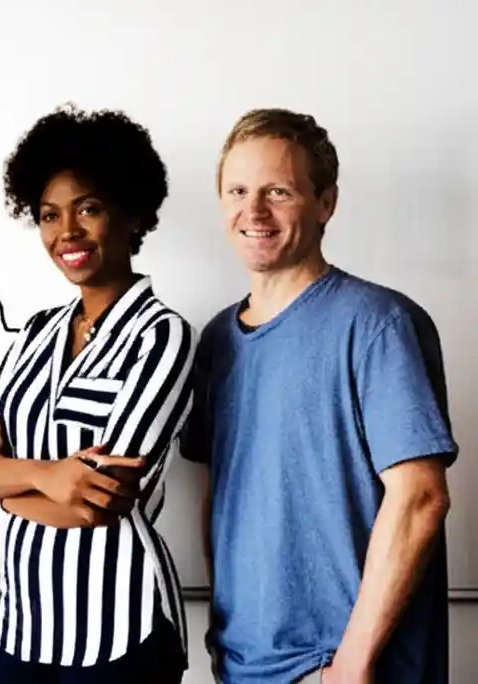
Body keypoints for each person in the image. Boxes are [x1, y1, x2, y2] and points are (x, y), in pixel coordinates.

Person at [181, 108, 457, 684]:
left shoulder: (378, 324)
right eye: (237, 190)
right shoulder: (216, 342)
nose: (253, 211)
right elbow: (221, 500)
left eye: (278, 191)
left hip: (343, 669)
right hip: (242, 664)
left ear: (326, 202)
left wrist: (352, 663)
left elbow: (421, 499)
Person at [0, 103, 196, 683]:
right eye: (48, 215)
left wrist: (6, 485)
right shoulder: (36, 332)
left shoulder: (162, 335)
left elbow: (99, 499)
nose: (66, 233)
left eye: (87, 208)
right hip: (19, 620)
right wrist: (45, 476)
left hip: (118, 624)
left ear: (131, 213)